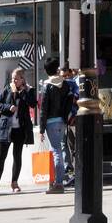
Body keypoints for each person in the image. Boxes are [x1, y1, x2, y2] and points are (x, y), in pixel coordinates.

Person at [0, 67, 36, 195]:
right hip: (6, 128)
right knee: (1, 157)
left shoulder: (29, 90)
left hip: (20, 129)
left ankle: (14, 182)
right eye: (12, 79)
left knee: (17, 156)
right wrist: (9, 107)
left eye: (16, 79)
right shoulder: (8, 89)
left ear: (22, 79)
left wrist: (23, 93)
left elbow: (33, 104)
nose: (13, 81)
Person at [39, 56, 74, 195]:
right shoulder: (65, 84)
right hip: (61, 121)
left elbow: (43, 109)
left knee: (56, 151)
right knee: (59, 149)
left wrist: (41, 129)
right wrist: (65, 117)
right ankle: (57, 181)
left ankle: (58, 183)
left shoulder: (47, 86)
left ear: (47, 71)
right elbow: (70, 100)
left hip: (50, 122)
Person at [61, 63, 79, 187]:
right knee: (68, 147)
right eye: (63, 76)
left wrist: (69, 97)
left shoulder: (73, 84)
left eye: (67, 76)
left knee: (76, 148)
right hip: (65, 120)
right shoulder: (60, 85)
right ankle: (72, 174)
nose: (65, 78)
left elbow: (78, 99)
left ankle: (78, 174)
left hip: (74, 119)